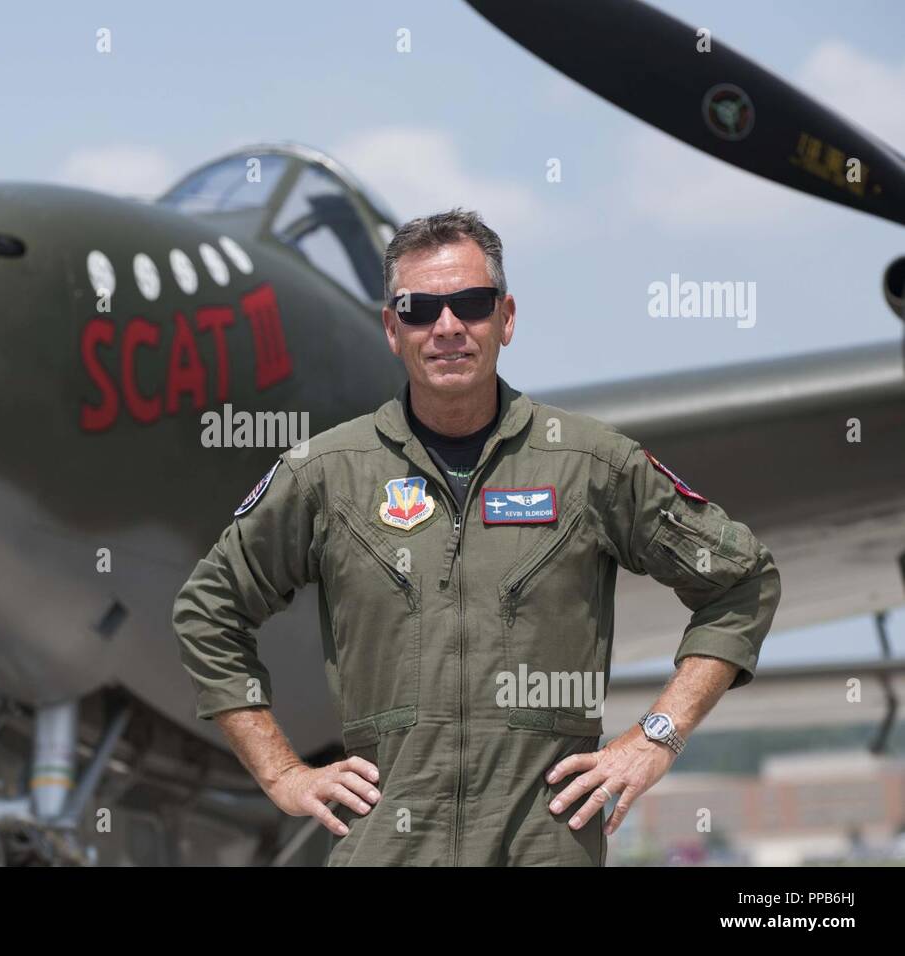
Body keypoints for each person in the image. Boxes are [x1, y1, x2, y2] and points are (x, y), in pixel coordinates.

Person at [172, 208, 781, 865]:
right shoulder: (326, 475)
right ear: (391, 328)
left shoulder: (590, 465)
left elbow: (741, 581)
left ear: (506, 317)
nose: (447, 327)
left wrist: (657, 735)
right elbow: (209, 610)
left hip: (542, 849)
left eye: (471, 304)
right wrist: (283, 774)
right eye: (419, 308)